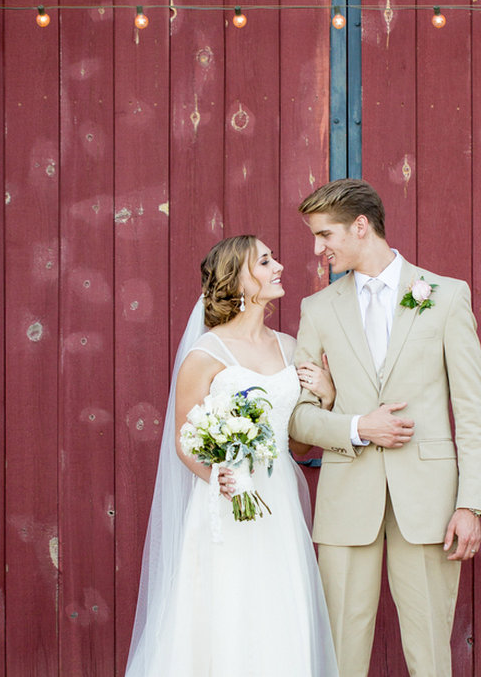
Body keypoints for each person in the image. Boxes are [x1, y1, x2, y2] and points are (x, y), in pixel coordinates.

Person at [290, 179, 481, 677]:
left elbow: (471, 410)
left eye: (325, 234)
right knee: (339, 647)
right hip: (346, 499)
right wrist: (360, 426)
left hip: (427, 501)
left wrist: (469, 504)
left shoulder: (445, 297)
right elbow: (296, 416)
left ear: (361, 227)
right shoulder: (317, 309)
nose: (318, 249)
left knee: (429, 647)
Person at [125, 234, 339, 677]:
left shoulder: (288, 345)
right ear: (239, 281)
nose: (278, 266)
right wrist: (215, 473)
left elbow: (298, 446)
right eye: (265, 262)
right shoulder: (205, 355)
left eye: (273, 258)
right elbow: (184, 440)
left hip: (278, 502)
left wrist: (329, 397)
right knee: (226, 614)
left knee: (279, 611)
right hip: (226, 501)